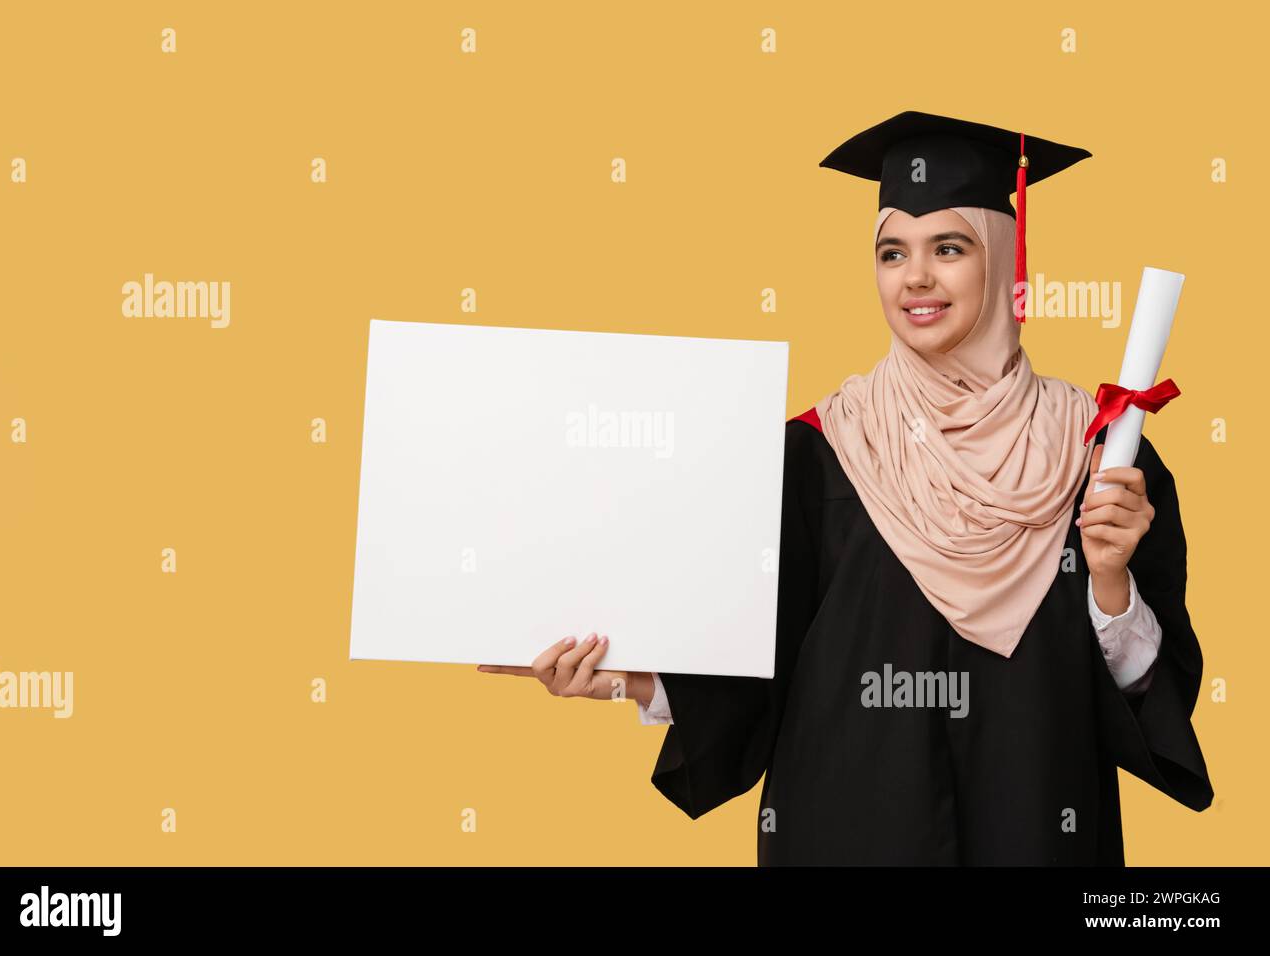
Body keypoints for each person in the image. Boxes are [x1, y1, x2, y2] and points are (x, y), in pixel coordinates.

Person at [477, 111, 1214, 865]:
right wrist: (621, 677)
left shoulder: (1096, 455)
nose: (916, 278)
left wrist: (1110, 583)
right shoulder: (817, 450)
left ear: (1001, 259)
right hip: (844, 833)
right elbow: (753, 675)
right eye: (892, 252)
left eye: (949, 248)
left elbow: (1148, 698)